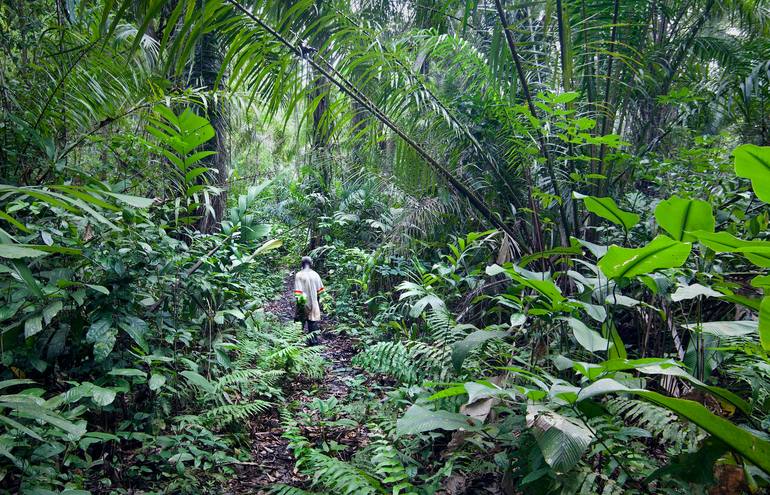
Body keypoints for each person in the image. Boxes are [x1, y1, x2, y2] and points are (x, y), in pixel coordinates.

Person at [293, 256, 325, 345]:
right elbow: (320, 291)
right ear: (311, 264)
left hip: (302, 302)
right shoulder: (315, 274)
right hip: (314, 303)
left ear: (302, 264)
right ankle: (313, 343)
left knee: (299, 323)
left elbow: (298, 292)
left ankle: (297, 343)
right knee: (313, 323)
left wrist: (299, 305)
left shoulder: (299, 275)